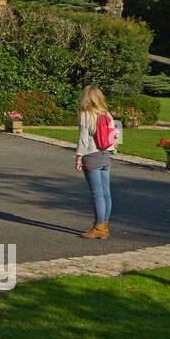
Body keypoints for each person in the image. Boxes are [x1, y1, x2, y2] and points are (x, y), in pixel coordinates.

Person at [75, 84, 117, 239]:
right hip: (105, 155)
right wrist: (111, 150)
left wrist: (79, 157)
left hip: (92, 156)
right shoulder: (107, 113)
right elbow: (115, 135)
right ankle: (104, 225)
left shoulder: (86, 114)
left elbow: (83, 140)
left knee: (97, 194)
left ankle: (98, 227)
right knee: (106, 193)